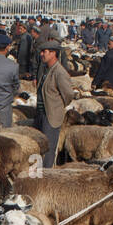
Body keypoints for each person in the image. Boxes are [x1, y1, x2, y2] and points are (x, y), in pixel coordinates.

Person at [35, 39, 74, 169]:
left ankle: (46, 176)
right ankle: (36, 177)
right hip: (41, 113)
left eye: (44, 52)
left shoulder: (59, 72)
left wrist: (57, 107)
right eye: (41, 52)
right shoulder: (46, 70)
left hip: (51, 116)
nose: (41, 54)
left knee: (48, 148)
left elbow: (68, 94)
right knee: (39, 146)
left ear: (53, 53)